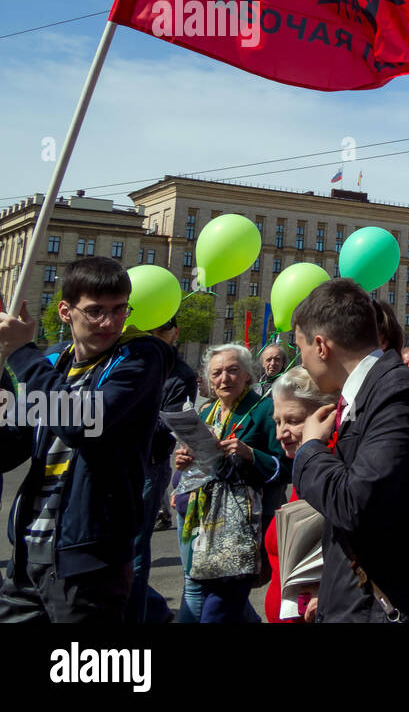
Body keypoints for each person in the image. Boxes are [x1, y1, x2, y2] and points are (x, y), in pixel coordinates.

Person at [0, 257, 167, 624]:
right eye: (94, 311)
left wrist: (20, 354)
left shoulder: (139, 358)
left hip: (89, 561)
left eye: (119, 309)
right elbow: (11, 446)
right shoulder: (54, 366)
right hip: (29, 553)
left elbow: (81, 421)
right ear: (65, 311)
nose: (109, 322)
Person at [292, 278, 409, 622]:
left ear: (321, 345)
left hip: (390, 608)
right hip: (362, 603)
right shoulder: (369, 393)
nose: (302, 362)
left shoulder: (399, 393)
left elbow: (357, 505)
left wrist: (309, 450)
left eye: (301, 348)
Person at [174, 344, 285, 622]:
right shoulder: (205, 413)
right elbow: (196, 469)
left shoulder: (264, 409)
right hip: (203, 522)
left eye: (233, 371)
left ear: (247, 375)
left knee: (218, 610)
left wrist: (250, 454)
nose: (225, 379)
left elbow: (287, 467)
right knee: (217, 605)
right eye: (217, 373)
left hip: (244, 526)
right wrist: (184, 463)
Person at [127, 315, 197, 624]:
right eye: (148, 329)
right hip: (120, 463)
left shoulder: (179, 375)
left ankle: (143, 614)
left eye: (160, 330)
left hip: (149, 467)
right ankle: (152, 608)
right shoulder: (131, 364)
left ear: (174, 333)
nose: (153, 336)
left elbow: (166, 429)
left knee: (135, 549)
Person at [264, 367, 338, 623]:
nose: (280, 433)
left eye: (293, 420)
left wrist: (332, 591)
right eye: (277, 421)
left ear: (326, 415)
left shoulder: (332, 478)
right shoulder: (304, 473)